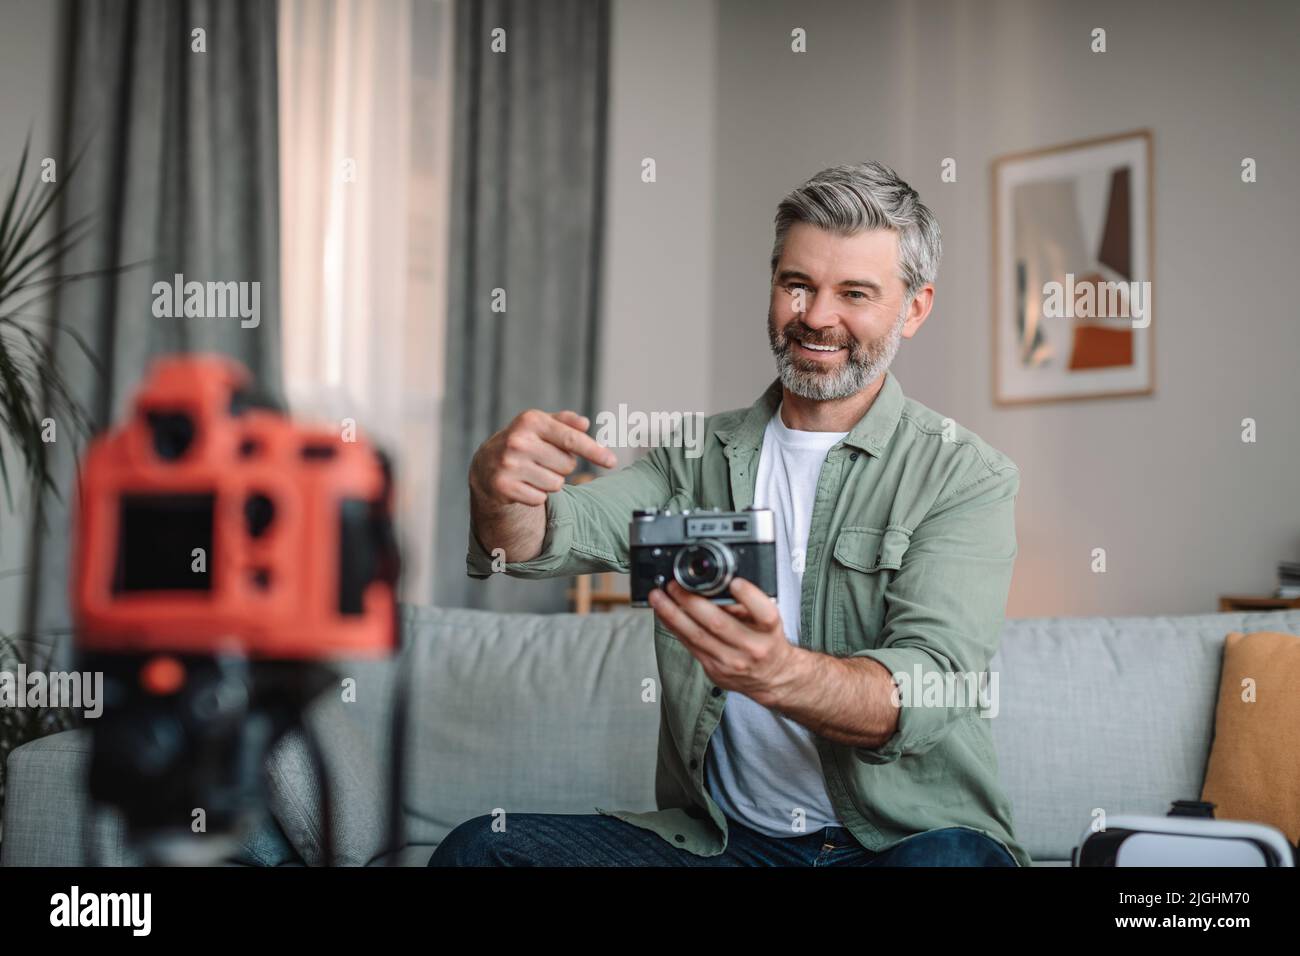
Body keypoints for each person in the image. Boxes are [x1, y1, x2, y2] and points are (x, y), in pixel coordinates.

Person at [430, 161, 1027, 867]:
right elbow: (541, 541)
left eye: (855, 293)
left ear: (915, 307)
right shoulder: (692, 455)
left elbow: (927, 685)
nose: (816, 316)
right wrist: (500, 491)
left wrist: (779, 674)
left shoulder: (964, 475)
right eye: (796, 283)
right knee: (481, 852)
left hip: (901, 847)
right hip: (727, 848)